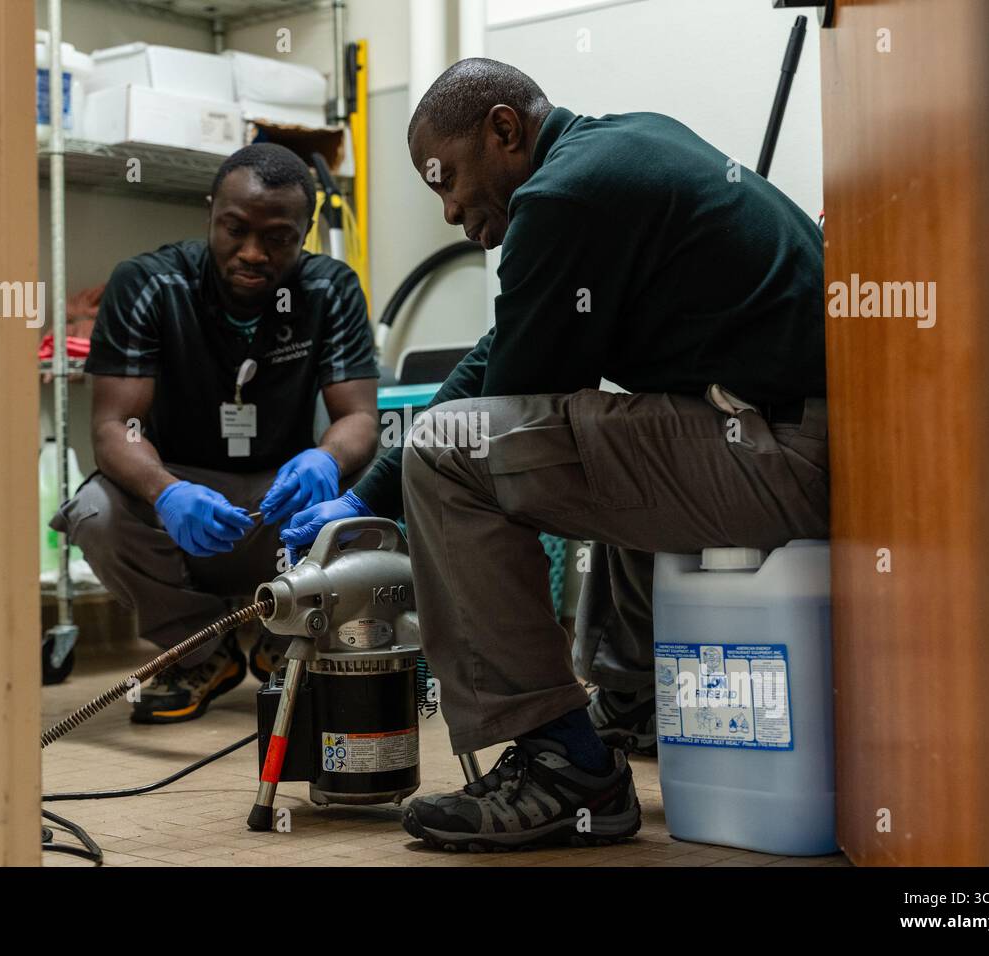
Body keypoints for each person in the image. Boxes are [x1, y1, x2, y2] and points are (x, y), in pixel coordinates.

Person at [281, 59, 828, 851]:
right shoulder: (616, 150)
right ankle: (633, 706)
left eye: (447, 179)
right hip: (789, 436)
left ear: (506, 129)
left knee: (446, 452)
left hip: (787, 455)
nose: (449, 209)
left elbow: (495, 415)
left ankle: (565, 766)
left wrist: (390, 485)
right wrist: (366, 496)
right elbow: (506, 354)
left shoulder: (564, 196)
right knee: (605, 431)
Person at [51, 143, 379, 724]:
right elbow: (111, 426)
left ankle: (291, 637)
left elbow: (358, 417)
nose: (252, 253)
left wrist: (325, 459)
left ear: (304, 232)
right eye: (234, 229)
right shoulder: (149, 284)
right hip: (183, 498)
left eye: (278, 237)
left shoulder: (329, 289)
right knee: (94, 510)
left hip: (282, 502)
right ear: (210, 213)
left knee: (377, 482)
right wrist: (165, 491)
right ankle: (200, 652)